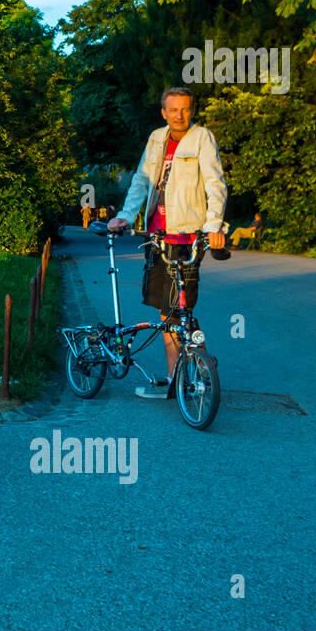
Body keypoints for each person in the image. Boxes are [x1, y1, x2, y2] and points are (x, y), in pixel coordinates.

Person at [107, 86, 228, 398]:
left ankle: (196, 364)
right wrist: (124, 215)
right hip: (156, 235)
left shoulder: (202, 138)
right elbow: (142, 179)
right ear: (164, 112)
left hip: (187, 235)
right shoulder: (156, 138)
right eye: (173, 110)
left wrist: (214, 226)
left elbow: (215, 183)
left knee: (179, 305)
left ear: (192, 111)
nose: (179, 115)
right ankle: (177, 376)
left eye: (185, 109)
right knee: (166, 309)